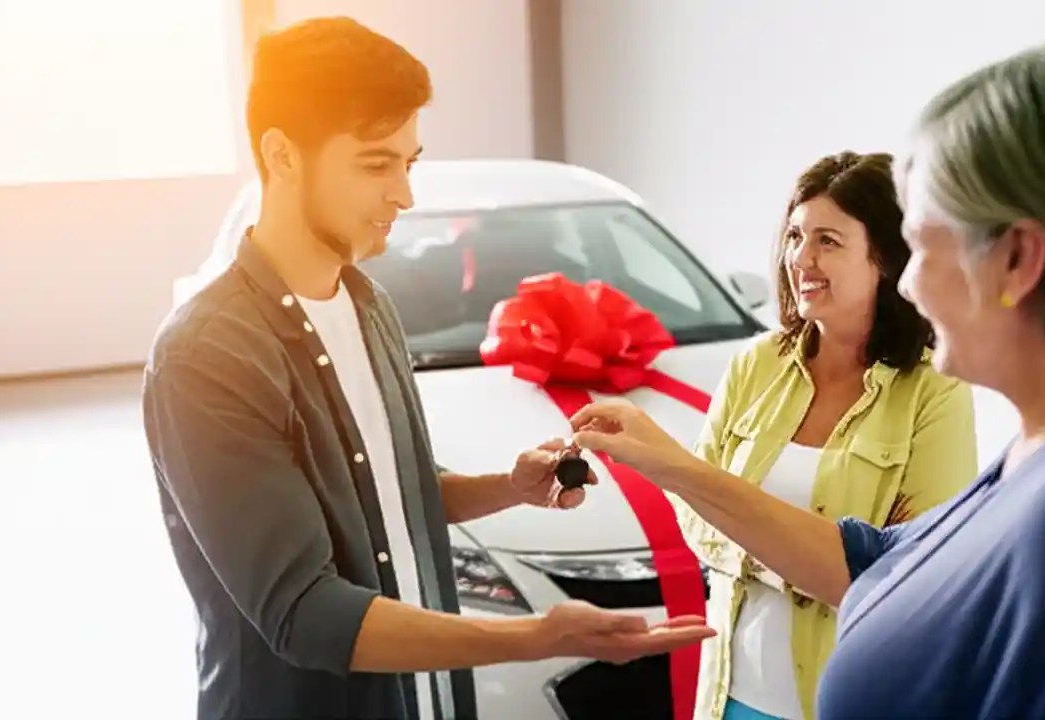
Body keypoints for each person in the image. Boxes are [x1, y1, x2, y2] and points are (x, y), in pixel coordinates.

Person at [570, 37, 1045, 719]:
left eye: (925, 242)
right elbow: (877, 561)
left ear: (1018, 260)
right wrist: (670, 462)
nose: (908, 280)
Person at [142, 16, 711, 720]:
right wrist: (536, 638)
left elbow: (395, 492)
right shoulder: (208, 356)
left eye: (409, 164)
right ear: (282, 156)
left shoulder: (367, 303)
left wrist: (510, 485)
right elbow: (305, 612)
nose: (405, 196)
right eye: (376, 164)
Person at [675, 152, 975, 720]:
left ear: (884, 258)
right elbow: (694, 509)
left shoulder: (934, 389)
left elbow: (914, 568)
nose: (801, 259)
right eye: (794, 235)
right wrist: (803, 561)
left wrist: (746, 523)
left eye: (828, 242)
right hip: (729, 695)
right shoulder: (755, 364)